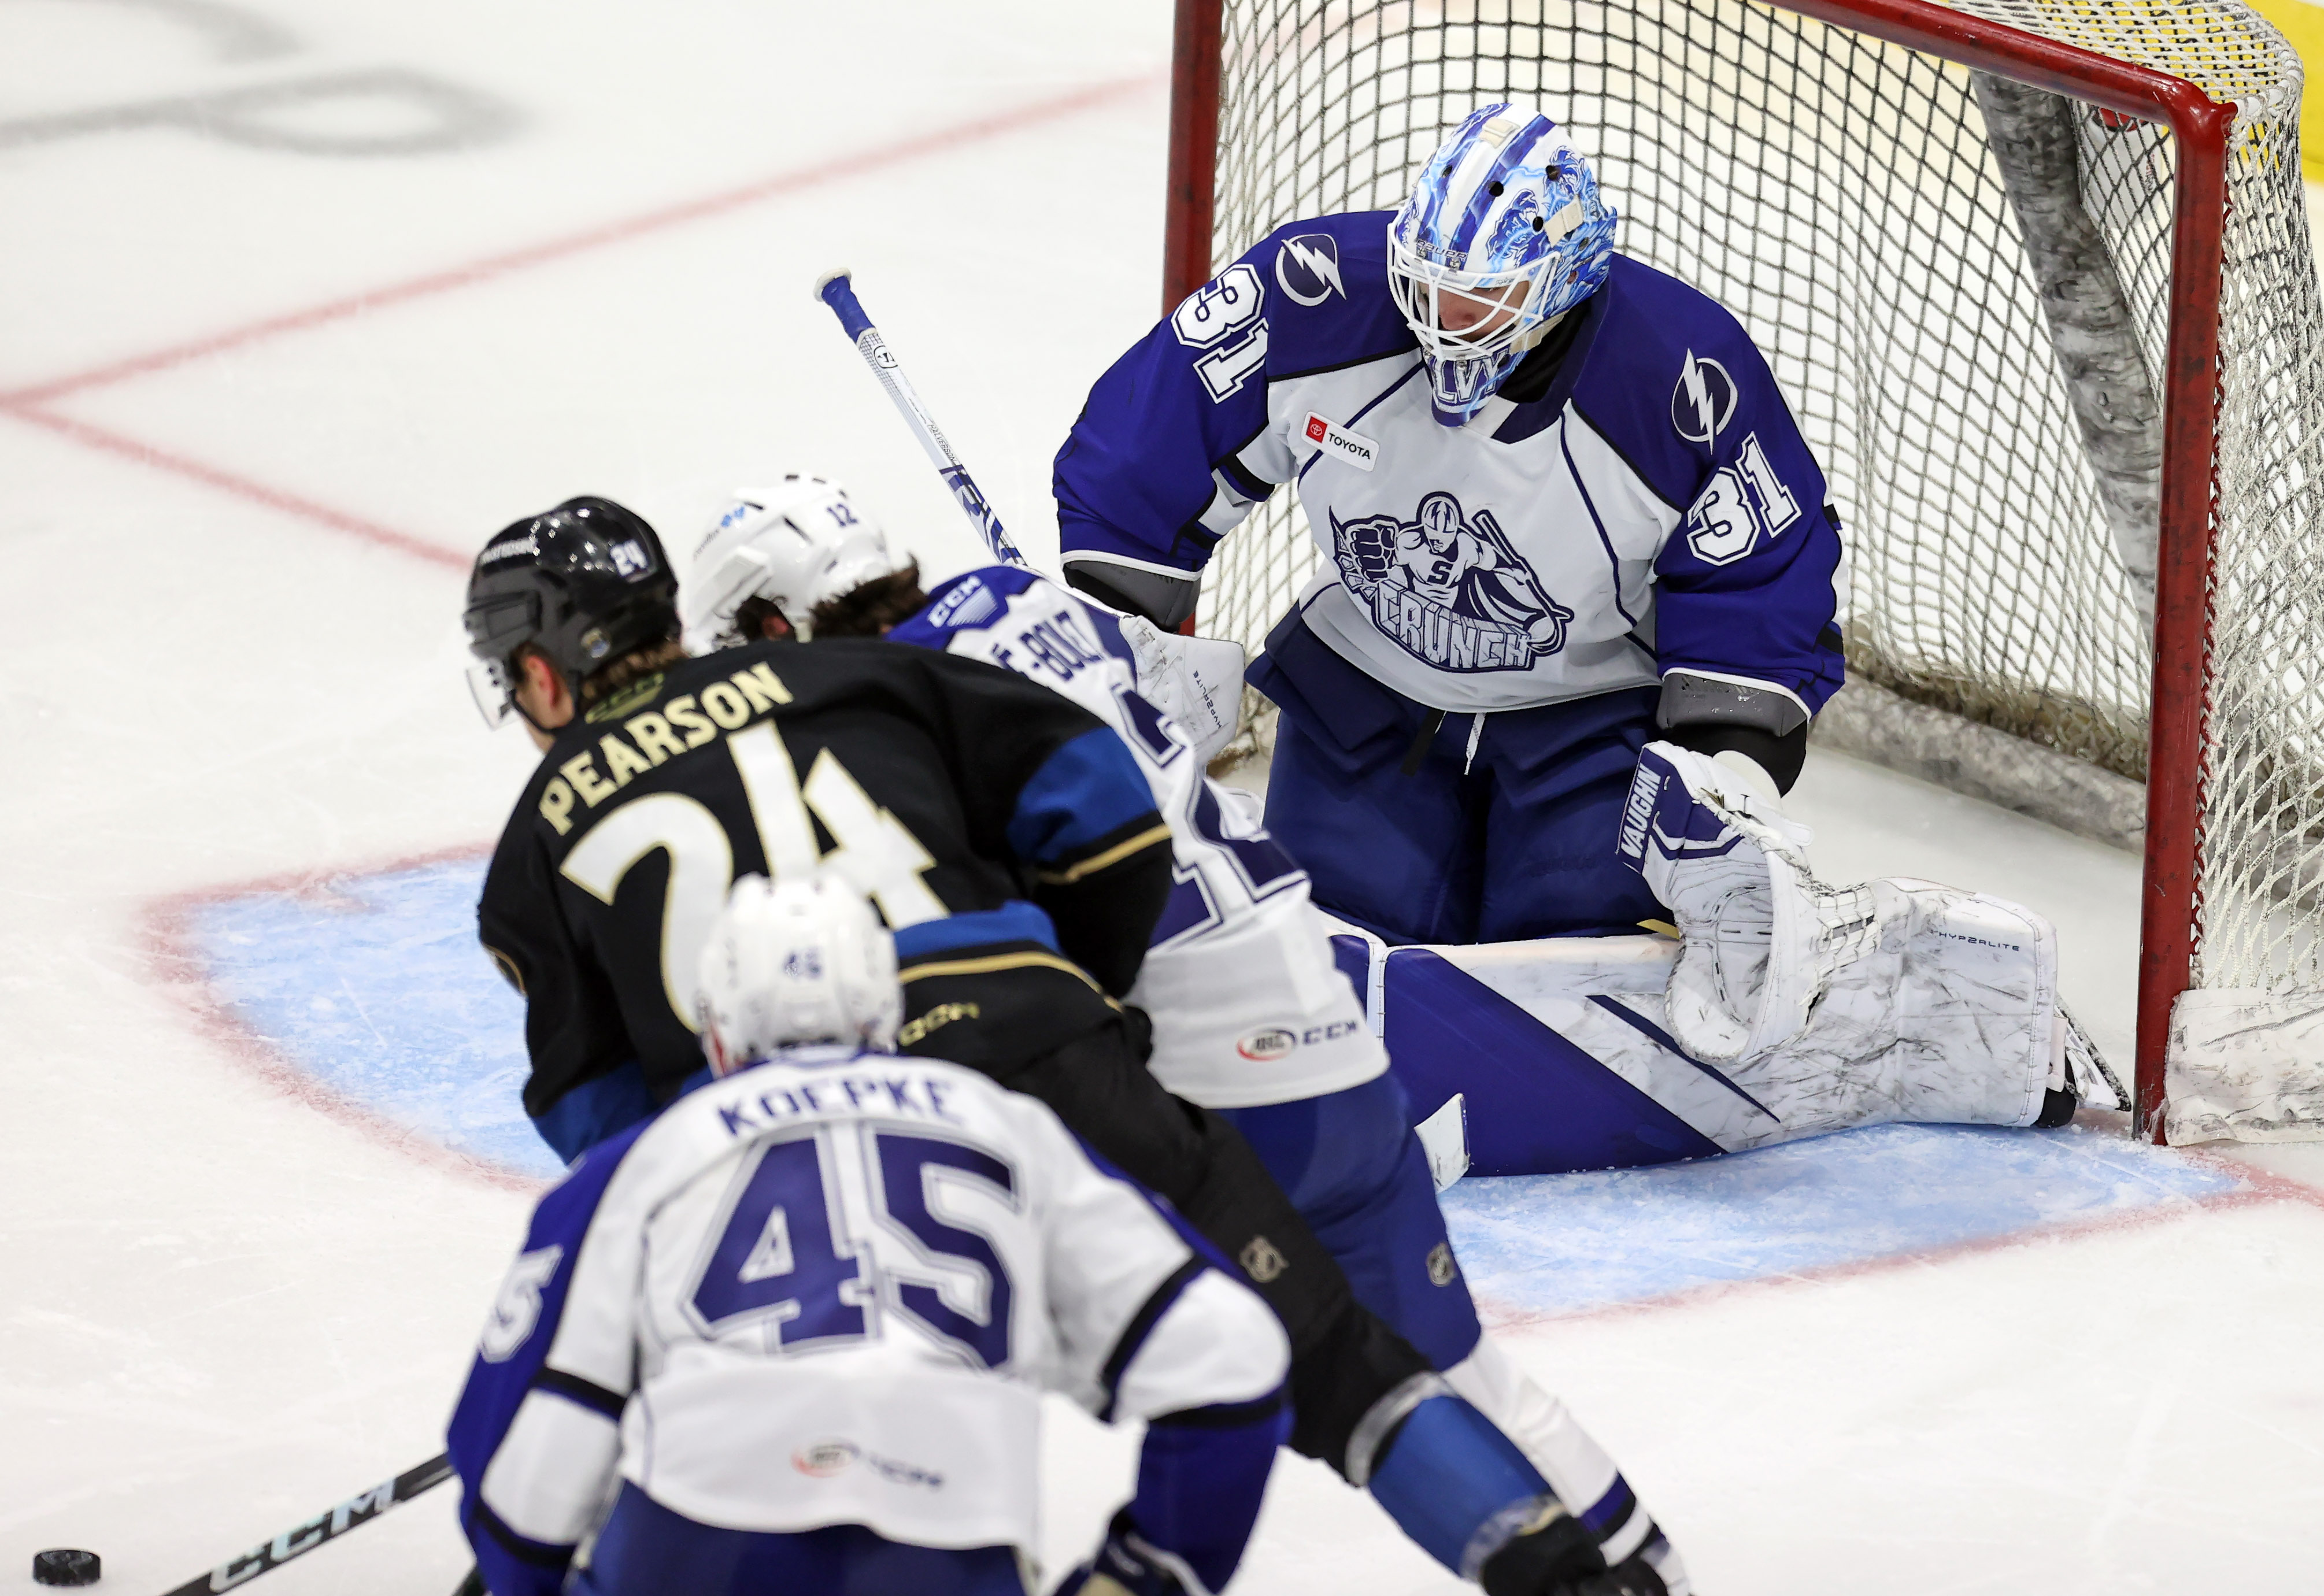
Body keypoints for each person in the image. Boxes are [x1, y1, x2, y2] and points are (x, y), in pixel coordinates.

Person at [461, 495, 1671, 1596]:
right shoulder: (857, 679)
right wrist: (1068, 998)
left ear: (543, 673)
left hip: (800, 1137)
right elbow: (1099, 809)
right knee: (1330, 1350)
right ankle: (1565, 1574)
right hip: (1059, 1056)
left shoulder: (535, 846)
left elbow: (606, 1133)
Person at [1050, 100, 2105, 1134]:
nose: (1439, 325)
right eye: (1425, 290)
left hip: (1586, 718)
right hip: (1365, 691)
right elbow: (1158, 433)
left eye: (1479, 303)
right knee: (1336, 928)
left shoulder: (1678, 374)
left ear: (1558, 286)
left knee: (1568, 948)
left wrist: (1723, 772)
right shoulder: (1317, 294)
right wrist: (1126, 633)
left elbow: (1760, 572)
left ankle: (1877, 993)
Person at [446, 869, 1291, 1596]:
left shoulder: (647, 1158)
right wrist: (1147, 1572)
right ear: (885, 1012)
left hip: (697, 1545)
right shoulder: (1009, 1130)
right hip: (950, 1556)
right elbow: (1232, 1355)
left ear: (718, 1035)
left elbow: (527, 1474)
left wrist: (525, 1570)